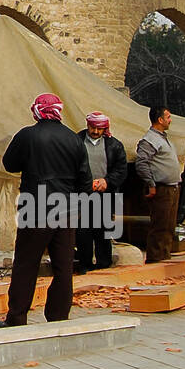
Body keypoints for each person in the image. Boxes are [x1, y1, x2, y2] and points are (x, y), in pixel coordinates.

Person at [0, 93, 90, 328]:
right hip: (66, 209)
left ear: (37, 111)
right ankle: (58, 317)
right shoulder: (74, 138)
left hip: (35, 206)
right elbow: (85, 181)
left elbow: (9, 164)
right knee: (63, 267)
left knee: (26, 264)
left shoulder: (27, 135)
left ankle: (17, 318)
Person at [73, 112, 127, 273]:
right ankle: (85, 264)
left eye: (99, 128)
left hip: (104, 193)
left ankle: (104, 264)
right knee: (83, 231)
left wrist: (107, 182)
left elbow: (121, 169)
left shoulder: (114, 145)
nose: (95, 131)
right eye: (92, 127)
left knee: (103, 230)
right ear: (87, 125)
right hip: (82, 193)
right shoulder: (76, 142)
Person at [136, 104, 183, 264]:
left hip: (172, 187)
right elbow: (142, 163)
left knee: (169, 226)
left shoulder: (163, 138)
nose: (170, 120)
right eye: (168, 117)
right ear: (160, 119)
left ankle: (165, 258)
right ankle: (155, 260)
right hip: (161, 189)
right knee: (160, 226)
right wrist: (151, 184)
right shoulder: (150, 140)